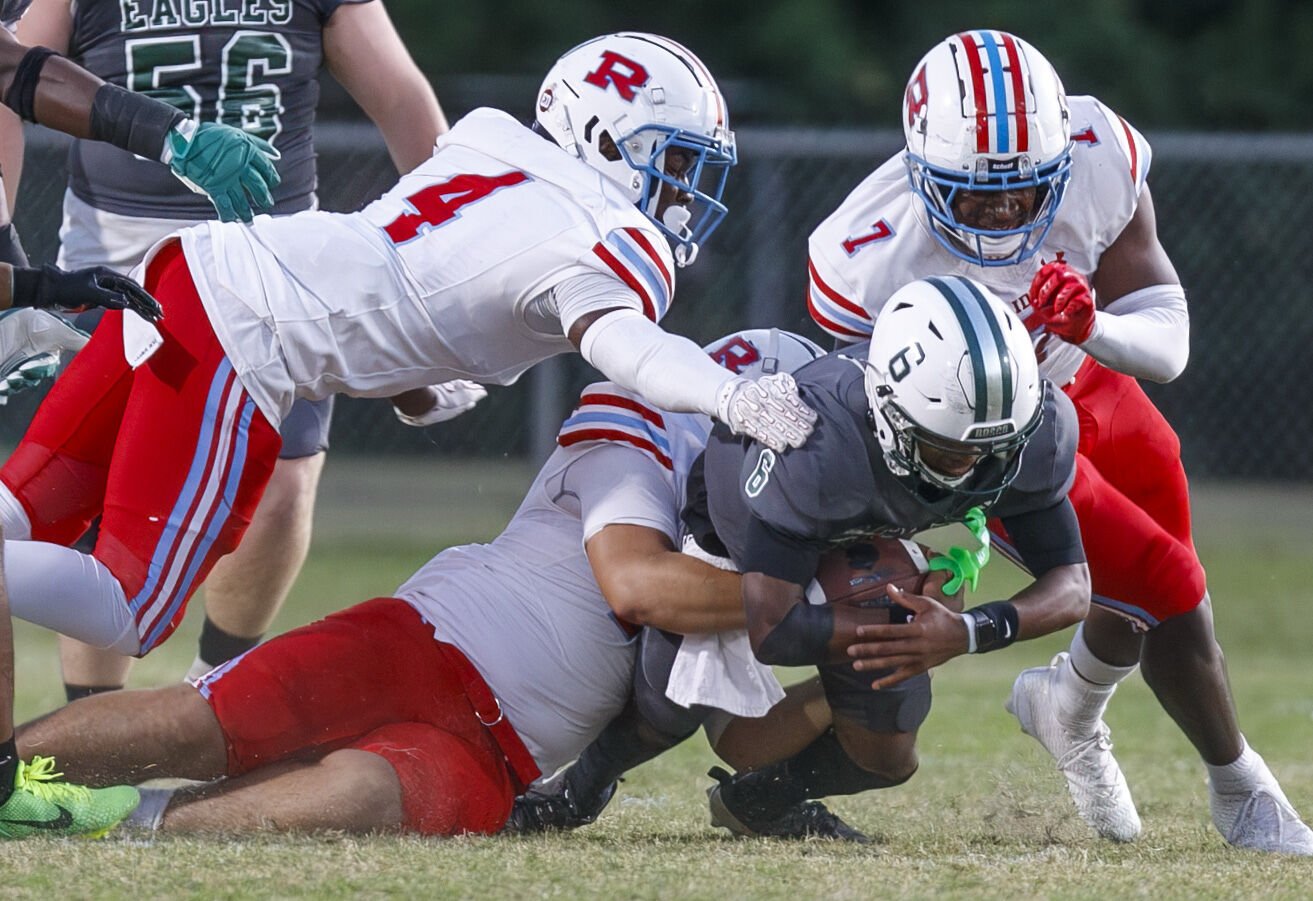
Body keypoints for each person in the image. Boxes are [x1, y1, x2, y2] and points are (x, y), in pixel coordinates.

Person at [0, 33, 816, 703]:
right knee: (128, 606)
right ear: (603, 140)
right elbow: (627, 349)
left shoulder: (489, 144)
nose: (682, 194)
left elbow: (409, 302)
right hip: (241, 330)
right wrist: (733, 395)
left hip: (182, 272)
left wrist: (430, 383)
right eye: (671, 164)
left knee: (22, 508)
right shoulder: (602, 235)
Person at [805, 30, 1312, 854]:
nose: (1004, 212)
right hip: (990, 440)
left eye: (1024, 190)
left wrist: (1094, 324)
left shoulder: (1097, 153)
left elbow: (1170, 340)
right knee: (1165, 579)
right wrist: (941, 527)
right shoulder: (864, 257)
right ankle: (1239, 788)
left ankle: (1066, 706)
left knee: (1158, 556)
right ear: (921, 174)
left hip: (1081, 374)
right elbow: (877, 425)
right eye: (975, 195)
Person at [13, 328, 817, 836]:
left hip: (501, 754)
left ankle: (133, 821)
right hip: (424, 642)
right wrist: (820, 613)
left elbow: (742, 735)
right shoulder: (642, 431)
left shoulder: (761, 545)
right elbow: (636, 584)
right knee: (199, 726)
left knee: (362, 795)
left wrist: (885, 642)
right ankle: (7, 778)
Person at [512, 274, 1092, 841]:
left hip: (861, 531)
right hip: (745, 532)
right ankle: (581, 788)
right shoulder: (815, 450)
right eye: (944, 447)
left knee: (887, 756)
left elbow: (1072, 582)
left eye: (989, 449)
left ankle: (763, 799)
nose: (969, 467)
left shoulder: (1027, 431)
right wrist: (903, 632)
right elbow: (775, 630)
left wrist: (966, 632)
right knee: (669, 709)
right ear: (889, 409)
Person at [7, 0, 453, 700]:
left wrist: (441, 258)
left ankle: (212, 685)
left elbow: (400, 99)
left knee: (281, 483)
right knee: (102, 491)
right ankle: (89, 727)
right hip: (124, 255)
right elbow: (12, 81)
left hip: (272, 252)